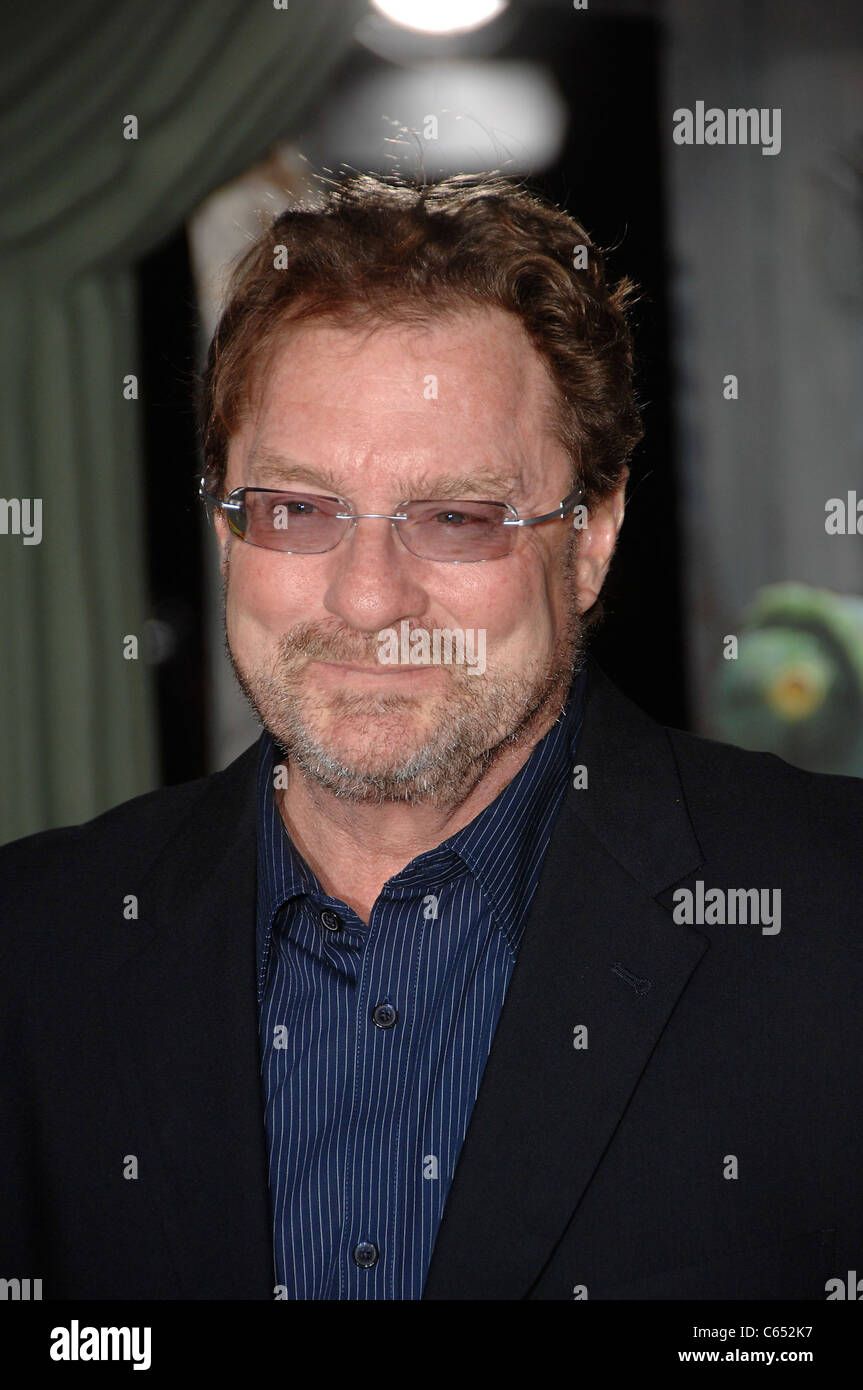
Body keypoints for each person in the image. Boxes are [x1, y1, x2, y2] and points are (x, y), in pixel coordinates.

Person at [2, 173, 861, 1302]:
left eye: (454, 518)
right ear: (226, 531)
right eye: (296, 511)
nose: (366, 601)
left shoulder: (833, 921)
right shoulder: (32, 952)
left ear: (590, 536)